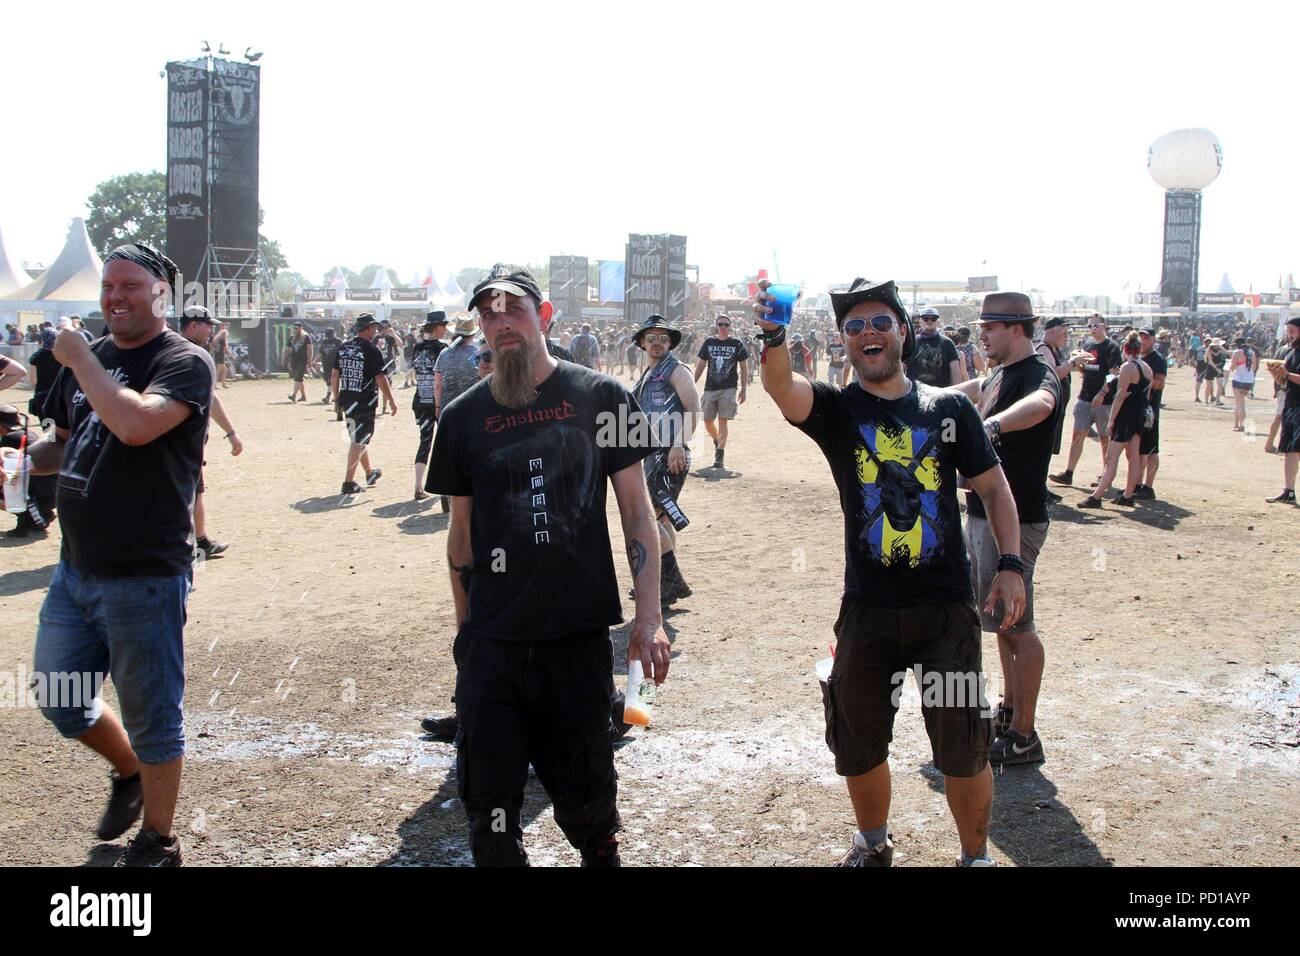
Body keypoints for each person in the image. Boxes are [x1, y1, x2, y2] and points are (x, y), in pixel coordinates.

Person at [756, 277, 1025, 868]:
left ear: (902, 330)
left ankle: (974, 857)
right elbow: (780, 385)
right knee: (858, 740)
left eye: (879, 321)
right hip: (868, 611)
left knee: (963, 746)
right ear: (844, 342)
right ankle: (873, 843)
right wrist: (774, 331)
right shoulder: (836, 411)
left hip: (945, 611)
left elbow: (994, 489)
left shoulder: (949, 407)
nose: (868, 333)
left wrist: (1010, 565)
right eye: (854, 326)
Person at [425, 264, 670, 866]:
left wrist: (649, 618)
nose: (501, 322)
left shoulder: (600, 397)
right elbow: (461, 539)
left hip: (575, 637)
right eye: (488, 312)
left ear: (544, 315)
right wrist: (466, 633)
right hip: (494, 643)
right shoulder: (460, 418)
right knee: (491, 813)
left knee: (590, 808)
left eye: (514, 309)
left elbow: (638, 513)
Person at [21, 243, 214, 866]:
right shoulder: (94, 359)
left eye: (131, 286)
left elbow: (134, 424)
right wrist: (22, 461)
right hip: (74, 568)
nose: (114, 297)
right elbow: (67, 445)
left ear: (162, 295)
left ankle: (159, 839)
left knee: (153, 713)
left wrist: (76, 359)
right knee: (58, 693)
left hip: (145, 576)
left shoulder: (184, 362)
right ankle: (129, 770)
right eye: (109, 285)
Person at [951, 294, 1061, 766]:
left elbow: (1042, 404)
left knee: (1019, 625)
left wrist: (991, 426)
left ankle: (1024, 735)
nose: (983, 335)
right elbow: (963, 391)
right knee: (1000, 619)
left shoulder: (1038, 375)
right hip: (982, 513)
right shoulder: (997, 373)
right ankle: (1010, 709)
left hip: (1016, 519)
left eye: (990, 328)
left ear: (1016, 328)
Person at [633, 314, 701, 603]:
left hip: (670, 452)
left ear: (670, 342)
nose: (657, 343)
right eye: (651, 338)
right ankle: (664, 585)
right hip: (652, 454)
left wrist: (677, 443)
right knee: (663, 518)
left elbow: (694, 408)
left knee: (652, 518)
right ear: (642, 343)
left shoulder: (676, 369)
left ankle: (671, 583)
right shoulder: (648, 373)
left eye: (663, 338)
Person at [178, 307, 244, 558]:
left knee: (194, 490)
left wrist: (230, 432)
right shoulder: (191, 355)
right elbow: (210, 397)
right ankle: (192, 544)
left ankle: (199, 540)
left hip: (186, 442)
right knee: (189, 492)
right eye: (208, 325)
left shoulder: (181, 351)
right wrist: (231, 432)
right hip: (181, 443)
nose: (212, 331)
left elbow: (210, 397)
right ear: (193, 326)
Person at [1078, 332, 1151, 509]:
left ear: (1125, 348)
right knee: (1133, 458)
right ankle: (1128, 495)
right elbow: (1147, 396)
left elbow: (1120, 396)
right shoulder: (1147, 368)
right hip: (1139, 415)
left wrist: (1112, 420)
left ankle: (1096, 497)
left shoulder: (1127, 367)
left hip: (1125, 416)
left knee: (1112, 458)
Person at [1050, 315, 1122, 488]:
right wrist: (1080, 365)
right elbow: (1085, 368)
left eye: (1096, 325)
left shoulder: (1112, 347)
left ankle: (1106, 475)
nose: (1092, 328)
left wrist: (1103, 392)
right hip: (1085, 397)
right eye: (1090, 325)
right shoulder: (1088, 345)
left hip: (1104, 400)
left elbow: (1114, 373)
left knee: (1105, 438)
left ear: (1104, 326)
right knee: (1078, 435)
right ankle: (1069, 472)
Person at [331, 313, 397, 495]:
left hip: (347, 399)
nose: (375, 331)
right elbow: (381, 377)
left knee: (358, 438)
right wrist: (391, 400)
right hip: (365, 401)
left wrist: (336, 399)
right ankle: (348, 482)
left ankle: (369, 473)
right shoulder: (371, 349)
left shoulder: (343, 347)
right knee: (358, 441)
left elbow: (335, 374)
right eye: (374, 327)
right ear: (367, 328)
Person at [693, 313, 748, 470]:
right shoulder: (709, 342)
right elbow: (701, 364)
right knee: (707, 421)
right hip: (710, 388)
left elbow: (744, 367)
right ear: (716, 326)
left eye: (726, 324)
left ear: (730, 327)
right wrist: (691, 383)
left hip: (729, 388)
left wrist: (744, 389)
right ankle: (717, 440)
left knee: (723, 420)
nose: (723, 327)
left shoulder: (736, 343)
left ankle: (719, 456)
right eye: (720, 324)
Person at [1, 404, 57, 537]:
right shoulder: (26, 433)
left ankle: (25, 518)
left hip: (37, 495)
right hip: (51, 493)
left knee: (7, 478)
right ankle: (42, 514)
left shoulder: (10, 438)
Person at [410, 312, 449, 502]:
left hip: (421, 399)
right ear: (437, 327)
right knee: (444, 444)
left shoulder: (417, 348)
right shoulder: (444, 349)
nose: (445, 328)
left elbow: (417, 372)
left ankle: (418, 485)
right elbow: (442, 378)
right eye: (443, 325)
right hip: (439, 401)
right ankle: (444, 488)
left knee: (425, 441)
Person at [1264, 316, 1300, 504]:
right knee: (1289, 449)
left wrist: (1286, 374)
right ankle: (1289, 491)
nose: (1289, 334)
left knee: (1296, 448)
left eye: (1292, 330)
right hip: (1291, 403)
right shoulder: (1290, 352)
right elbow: (1285, 383)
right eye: (1288, 330)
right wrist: (1277, 375)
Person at [1133, 327, 1167, 500]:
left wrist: (1137, 381)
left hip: (1149, 410)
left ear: (1153, 340)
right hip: (1137, 409)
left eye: (1146, 338)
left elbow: (1159, 383)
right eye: (1141, 337)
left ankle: (1148, 486)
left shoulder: (1157, 359)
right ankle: (1136, 484)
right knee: (1139, 449)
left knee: (1151, 449)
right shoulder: (1137, 358)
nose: (1143, 341)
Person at [905, 306, 965, 387]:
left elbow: (956, 374)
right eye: (926, 319)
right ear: (920, 321)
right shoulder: (911, 343)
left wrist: (957, 393)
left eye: (933, 319)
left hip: (942, 393)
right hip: (915, 394)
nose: (929, 321)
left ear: (937, 322)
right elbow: (901, 368)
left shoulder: (947, 343)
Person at [282, 322, 313, 403]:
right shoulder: (291, 338)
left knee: (298, 378)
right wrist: (283, 359)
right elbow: (286, 349)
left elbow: (310, 348)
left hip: (303, 360)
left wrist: (310, 359)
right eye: (294, 328)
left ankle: (294, 395)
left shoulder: (306, 337)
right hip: (294, 360)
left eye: (297, 328)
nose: (295, 330)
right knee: (299, 379)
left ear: (300, 328)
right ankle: (303, 396)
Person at [1229, 337, 1255, 432]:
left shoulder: (1236, 353)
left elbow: (1233, 367)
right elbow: (1254, 367)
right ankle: (1238, 424)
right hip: (1249, 381)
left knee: (1239, 404)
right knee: (1241, 403)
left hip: (1239, 380)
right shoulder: (1252, 352)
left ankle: (1239, 425)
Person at [318, 327, 340, 404]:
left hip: (335, 363)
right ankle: (334, 395)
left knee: (332, 379)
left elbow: (342, 351)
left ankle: (329, 396)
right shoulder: (324, 341)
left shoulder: (338, 341)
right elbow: (320, 352)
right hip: (326, 363)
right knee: (327, 379)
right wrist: (315, 361)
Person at [211, 322, 231, 389]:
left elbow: (213, 347)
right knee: (218, 371)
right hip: (220, 355)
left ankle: (223, 384)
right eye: (225, 334)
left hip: (219, 355)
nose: (226, 335)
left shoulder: (219, 340)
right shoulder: (222, 340)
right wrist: (232, 355)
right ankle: (214, 385)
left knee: (224, 370)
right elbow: (225, 349)